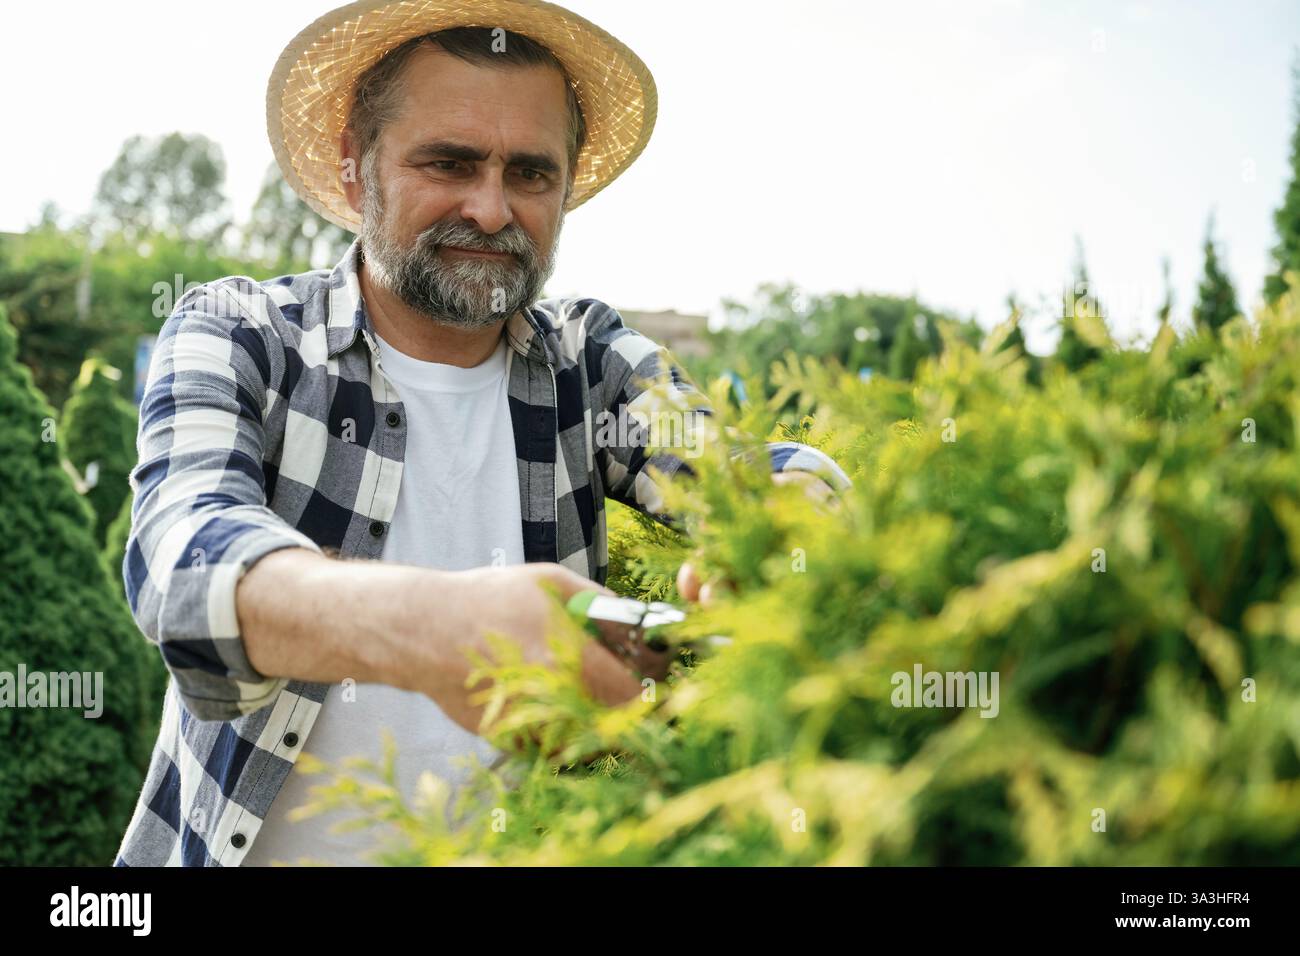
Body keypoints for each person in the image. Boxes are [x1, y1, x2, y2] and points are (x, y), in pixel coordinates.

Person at [114, 0, 851, 867]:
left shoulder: (589, 358)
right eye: (450, 162)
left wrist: (793, 516)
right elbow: (181, 565)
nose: (494, 209)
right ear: (357, 172)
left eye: (531, 174)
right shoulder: (244, 332)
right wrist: (439, 628)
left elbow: (740, 466)